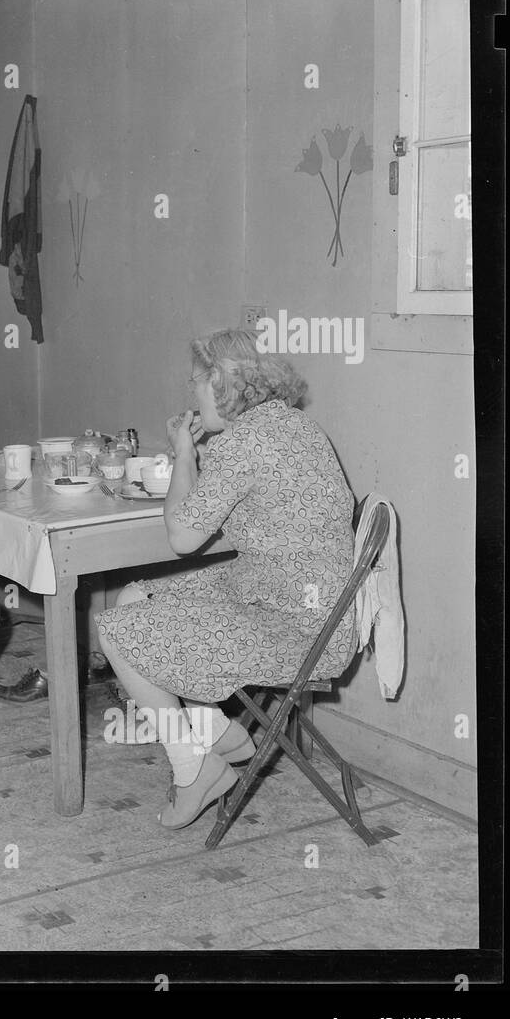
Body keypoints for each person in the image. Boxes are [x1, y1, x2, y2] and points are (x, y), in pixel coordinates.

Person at [96, 328, 357, 829]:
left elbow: (182, 537)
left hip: (299, 625)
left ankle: (192, 766)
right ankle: (212, 728)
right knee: (133, 596)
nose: (192, 393)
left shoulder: (247, 443)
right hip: (281, 591)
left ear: (221, 382)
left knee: (114, 628)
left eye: (196, 381)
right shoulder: (288, 425)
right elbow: (196, 510)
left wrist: (183, 454)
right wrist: (187, 454)